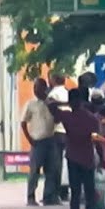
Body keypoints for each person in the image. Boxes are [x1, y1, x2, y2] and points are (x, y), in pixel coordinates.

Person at [61, 87, 102, 209]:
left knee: (75, 193)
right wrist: (102, 157)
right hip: (87, 157)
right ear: (82, 101)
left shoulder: (66, 116)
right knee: (89, 192)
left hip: (73, 157)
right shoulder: (91, 118)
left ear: (70, 102)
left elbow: (50, 106)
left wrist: (63, 103)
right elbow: (96, 139)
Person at [22, 78, 58, 207]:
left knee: (51, 170)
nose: (36, 90)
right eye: (35, 88)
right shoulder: (31, 104)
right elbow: (23, 122)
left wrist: (50, 104)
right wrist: (29, 139)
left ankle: (48, 197)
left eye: (39, 87)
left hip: (50, 139)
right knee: (34, 171)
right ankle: (31, 197)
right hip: (37, 141)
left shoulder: (51, 103)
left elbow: (58, 118)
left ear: (45, 88)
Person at [47, 73, 72, 202]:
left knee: (56, 164)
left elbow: (51, 114)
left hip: (57, 130)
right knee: (67, 162)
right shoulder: (68, 93)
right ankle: (65, 191)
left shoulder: (53, 95)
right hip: (69, 130)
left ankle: (55, 192)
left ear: (53, 79)